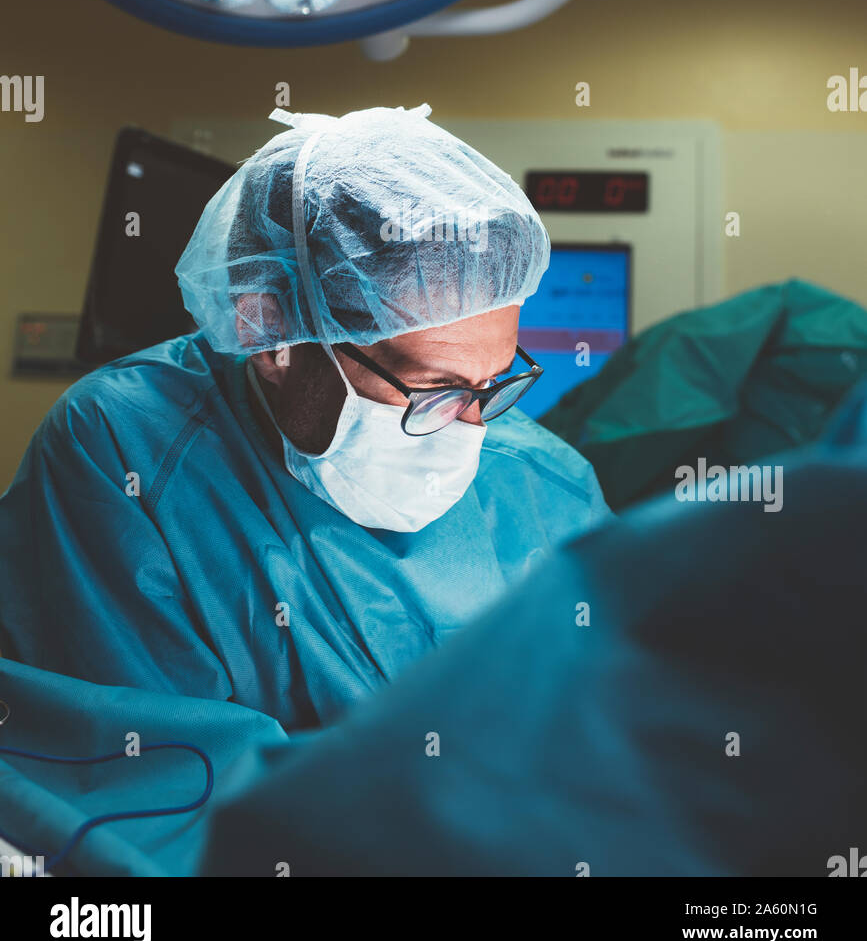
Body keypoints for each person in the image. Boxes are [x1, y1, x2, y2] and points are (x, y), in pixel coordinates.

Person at [0, 105, 609, 731]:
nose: (472, 428)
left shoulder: (545, 487)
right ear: (273, 337)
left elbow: (610, 724)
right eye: (434, 388)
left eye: (491, 383)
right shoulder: (121, 449)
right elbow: (163, 770)